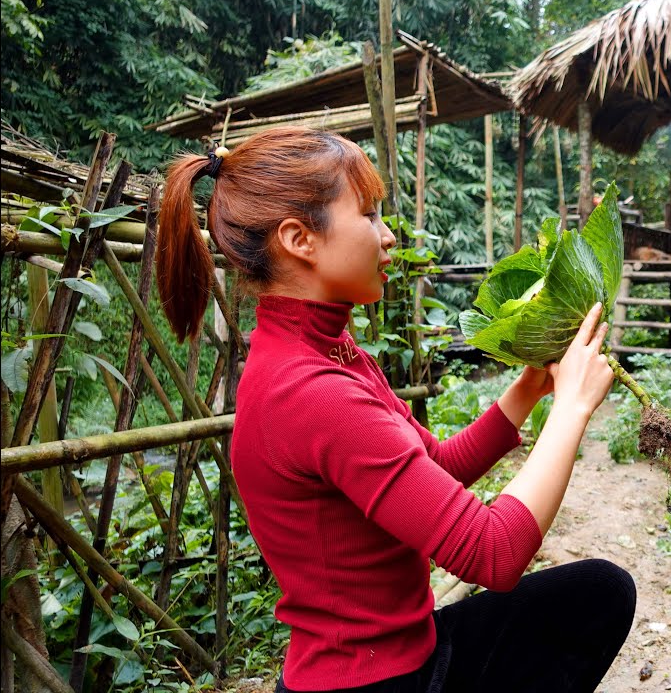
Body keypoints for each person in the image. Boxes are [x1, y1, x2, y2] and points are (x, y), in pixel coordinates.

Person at [155, 126, 635, 692]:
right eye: (369, 215)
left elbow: (437, 464)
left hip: (410, 655)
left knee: (597, 594)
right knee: (595, 599)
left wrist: (530, 389)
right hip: (370, 684)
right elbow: (493, 552)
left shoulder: (327, 352)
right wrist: (572, 411)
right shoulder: (312, 393)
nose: (388, 237)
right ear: (299, 238)